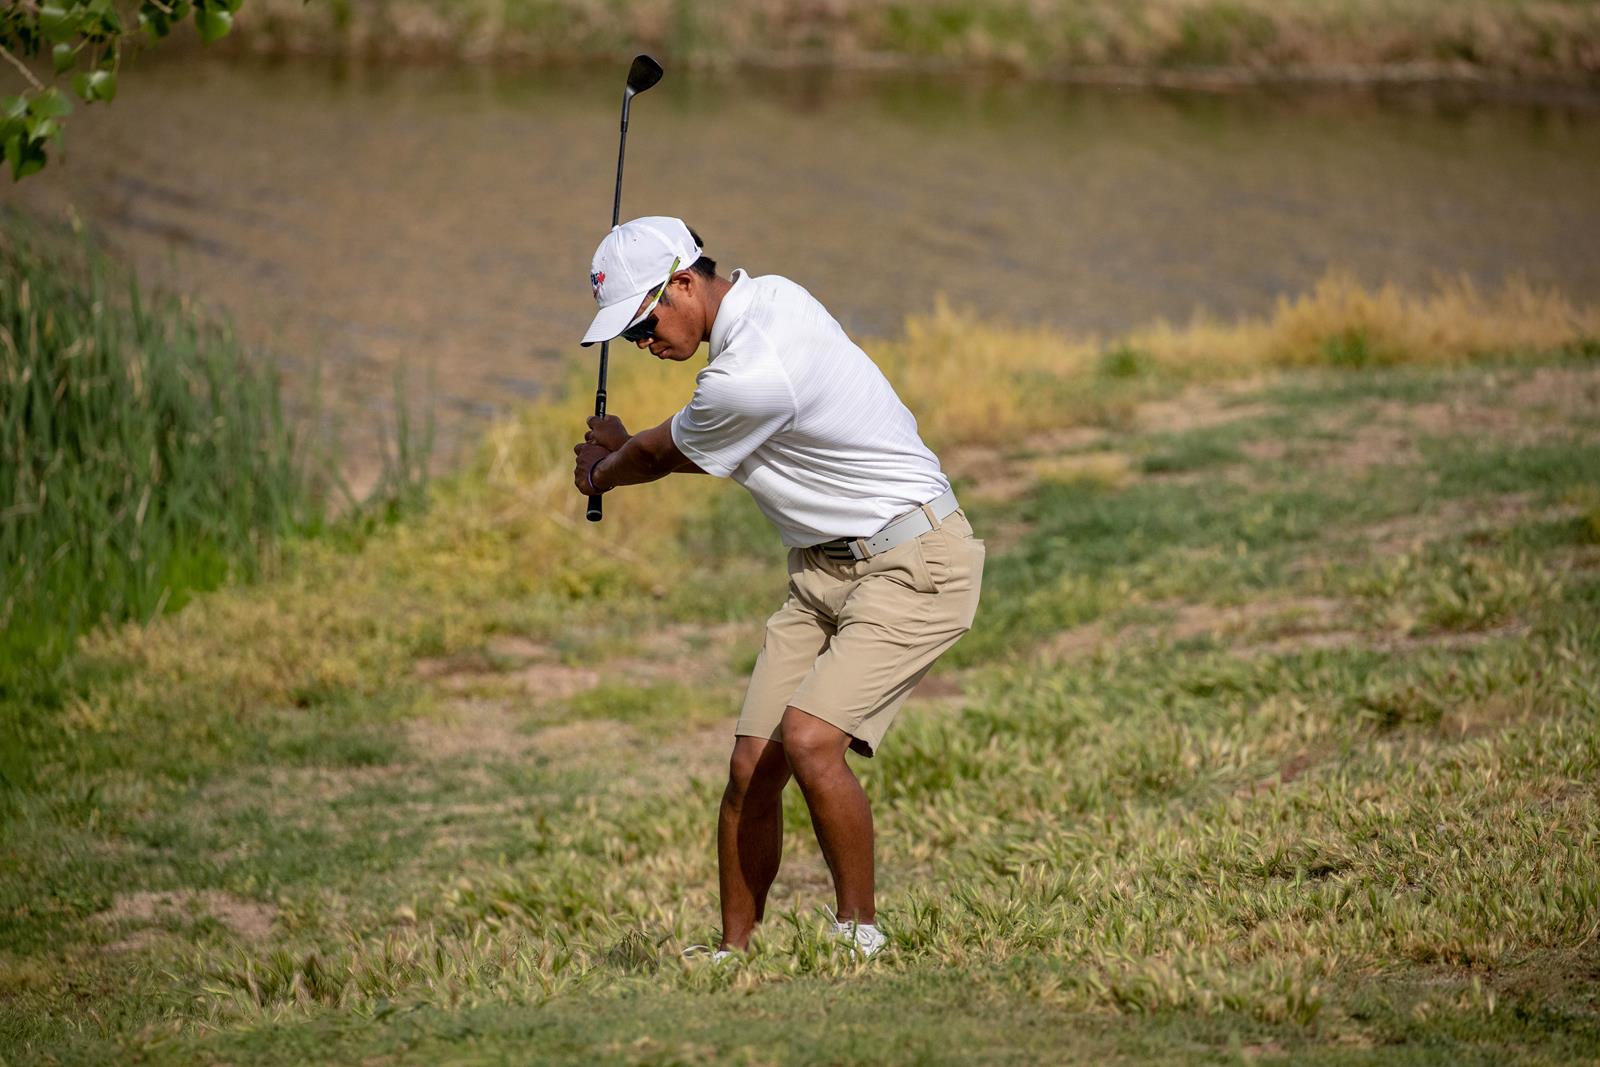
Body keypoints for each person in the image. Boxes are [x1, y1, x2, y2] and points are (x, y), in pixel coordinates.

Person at [572, 216, 984, 959]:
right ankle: (733, 953)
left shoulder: (756, 365)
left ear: (685, 282)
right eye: (629, 336)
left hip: (917, 559)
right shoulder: (768, 306)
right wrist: (628, 446)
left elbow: (670, 451)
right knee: (749, 765)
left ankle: (860, 937)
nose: (642, 343)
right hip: (824, 571)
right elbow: (706, 440)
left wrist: (604, 467)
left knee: (810, 739)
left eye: (643, 323)